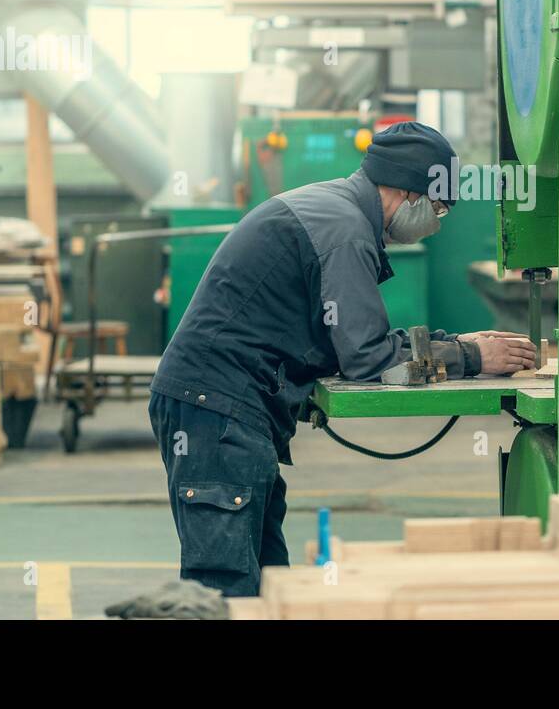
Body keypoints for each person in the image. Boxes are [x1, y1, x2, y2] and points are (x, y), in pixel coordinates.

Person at [148, 121, 537, 596]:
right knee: (225, 585)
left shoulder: (336, 210)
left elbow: (353, 339)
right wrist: (472, 357)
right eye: (437, 206)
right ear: (402, 190)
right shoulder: (345, 230)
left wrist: (457, 343)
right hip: (217, 412)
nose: (437, 220)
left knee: (264, 581)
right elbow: (371, 360)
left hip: (225, 408)